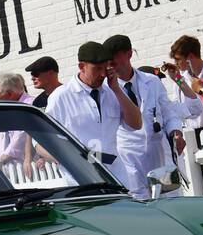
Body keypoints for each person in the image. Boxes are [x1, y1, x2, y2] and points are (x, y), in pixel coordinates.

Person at [45, 41, 143, 183]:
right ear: (81, 67)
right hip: (82, 176)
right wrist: (68, 158)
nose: (103, 74)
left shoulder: (112, 91)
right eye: (97, 69)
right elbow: (43, 143)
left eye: (105, 68)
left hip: (116, 174)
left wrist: (116, 89)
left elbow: (136, 124)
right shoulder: (61, 96)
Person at [103, 33, 185, 198]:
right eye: (108, 60)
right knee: (141, 206)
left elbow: (168, 112)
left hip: (159, 155)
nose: (111, 64)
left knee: (170, 202)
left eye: (115, 57)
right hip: (129, 158)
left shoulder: (152, 81)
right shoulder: (106, 90)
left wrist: (176, 131)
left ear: (129, 54)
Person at [167, 35, 203, 142]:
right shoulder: (180, 79)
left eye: (178, 59)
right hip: (191, 133)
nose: (175, 63)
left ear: (190, 57)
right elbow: (178, 107)